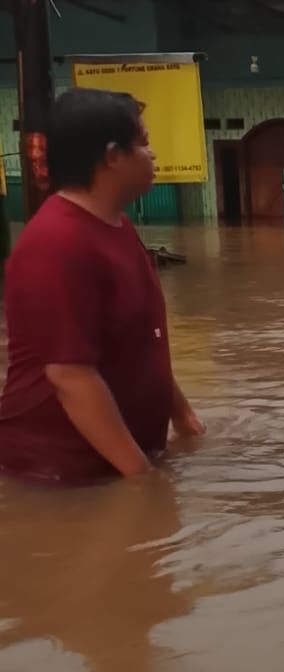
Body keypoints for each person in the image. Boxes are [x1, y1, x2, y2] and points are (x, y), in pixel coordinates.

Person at [0, 88, 204, 483]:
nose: (153, 154)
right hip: (60, 479)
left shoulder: (117, 225)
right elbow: (70, 376)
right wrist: (141, 478)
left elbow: (144, 340)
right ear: (112, 157)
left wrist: (185, 418)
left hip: (116, 465)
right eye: (144, 143)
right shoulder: (56, 242)